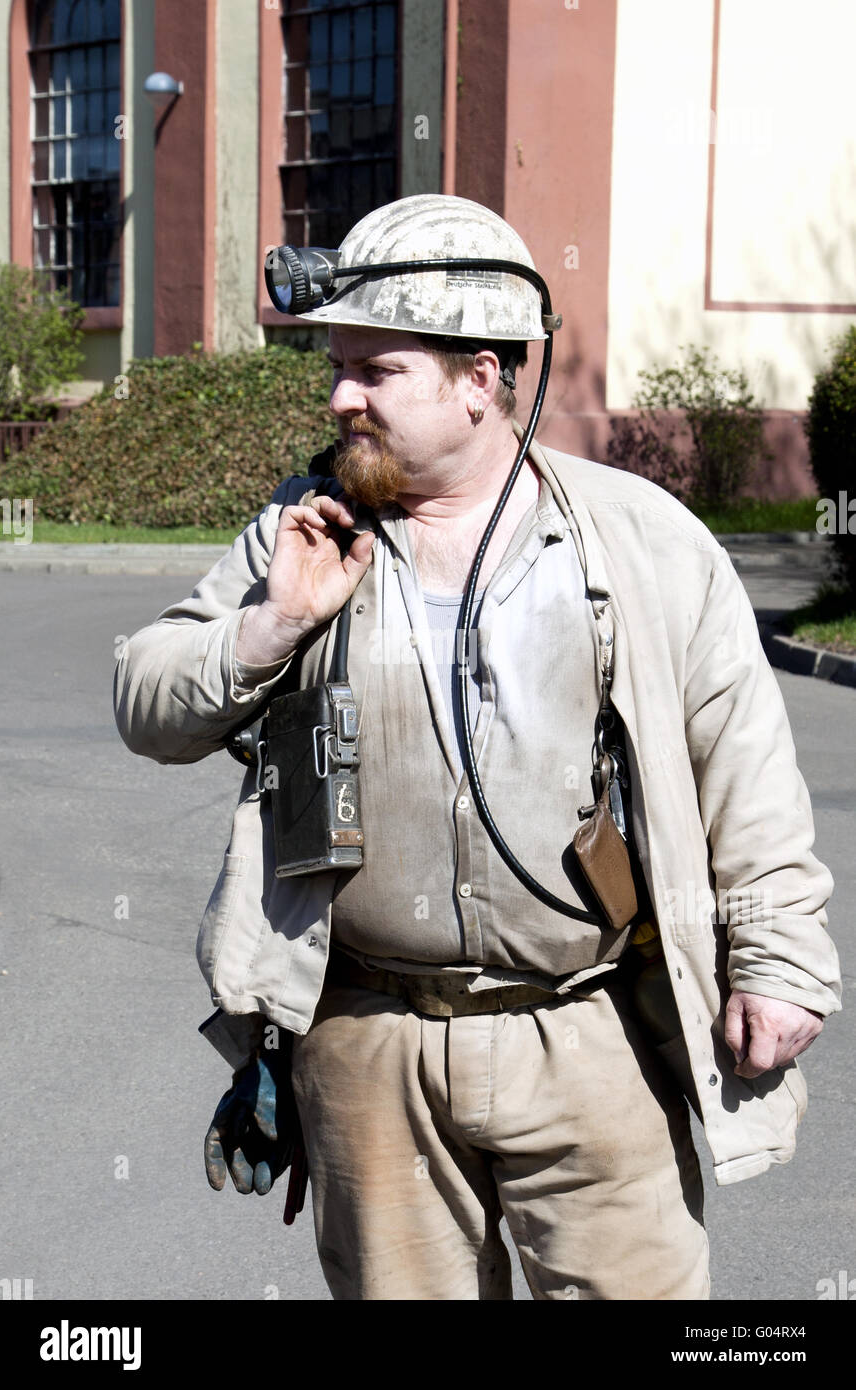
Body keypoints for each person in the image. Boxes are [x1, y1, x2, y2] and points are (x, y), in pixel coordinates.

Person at [114, 194, 841, 1301]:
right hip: (367, 1042)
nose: (338, 395)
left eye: (375, 369)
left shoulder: (637, 539)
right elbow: (146, 702)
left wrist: (780, 959)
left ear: (481, 379)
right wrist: (273, 625)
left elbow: (740, 762)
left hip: (588, 1035)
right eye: (337, 365)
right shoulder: (298, 529)